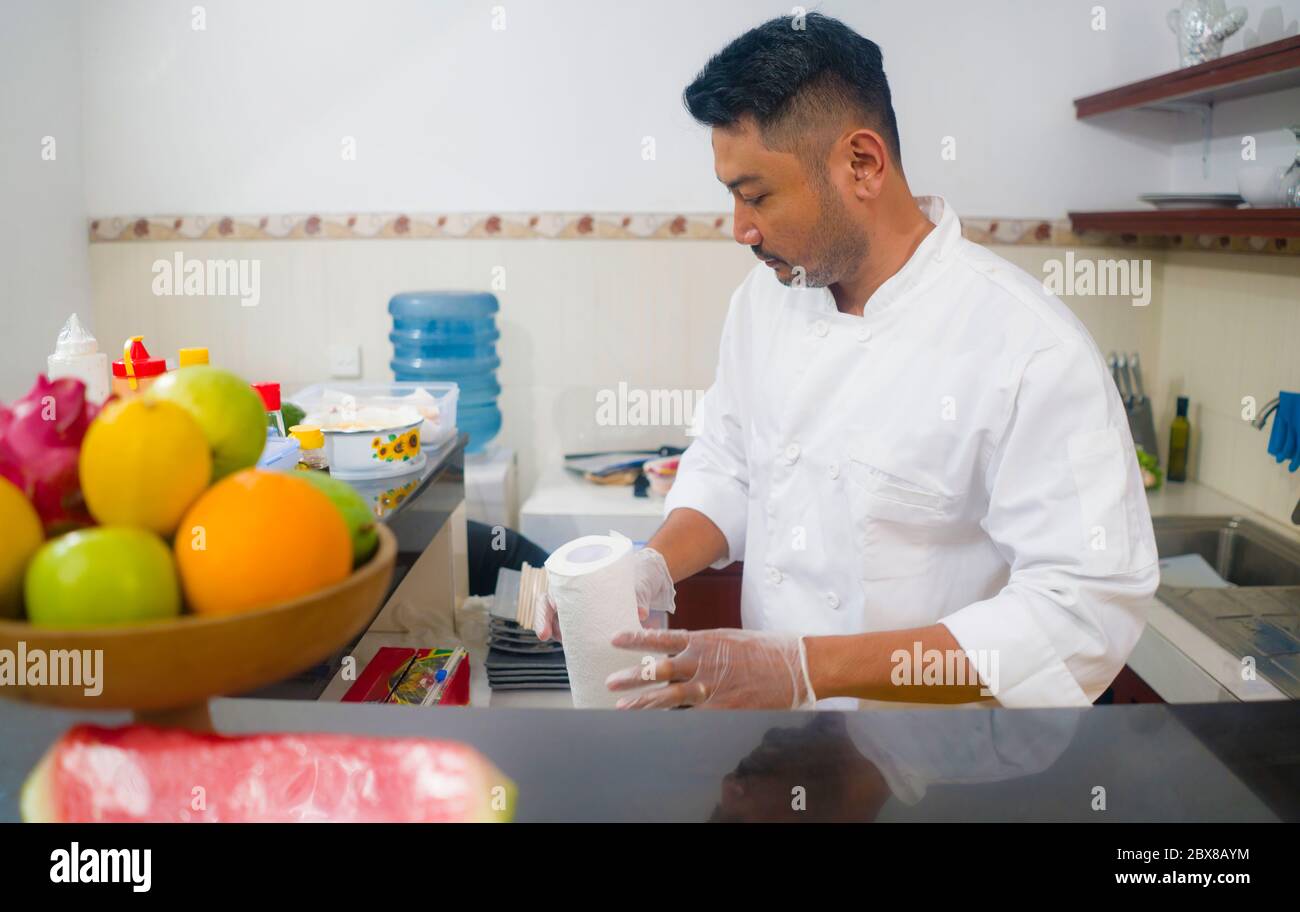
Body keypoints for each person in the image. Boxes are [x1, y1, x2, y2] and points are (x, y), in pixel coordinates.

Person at [538, 12, 1157, 710]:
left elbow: (1080, 617)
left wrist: (807, 670)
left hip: (940, 768)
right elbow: (732, 465)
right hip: (779, 743)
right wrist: (651, 566)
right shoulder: (765, 302)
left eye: (756, 195)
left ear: (861, 165)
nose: (741, 229)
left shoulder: (1029, 348)